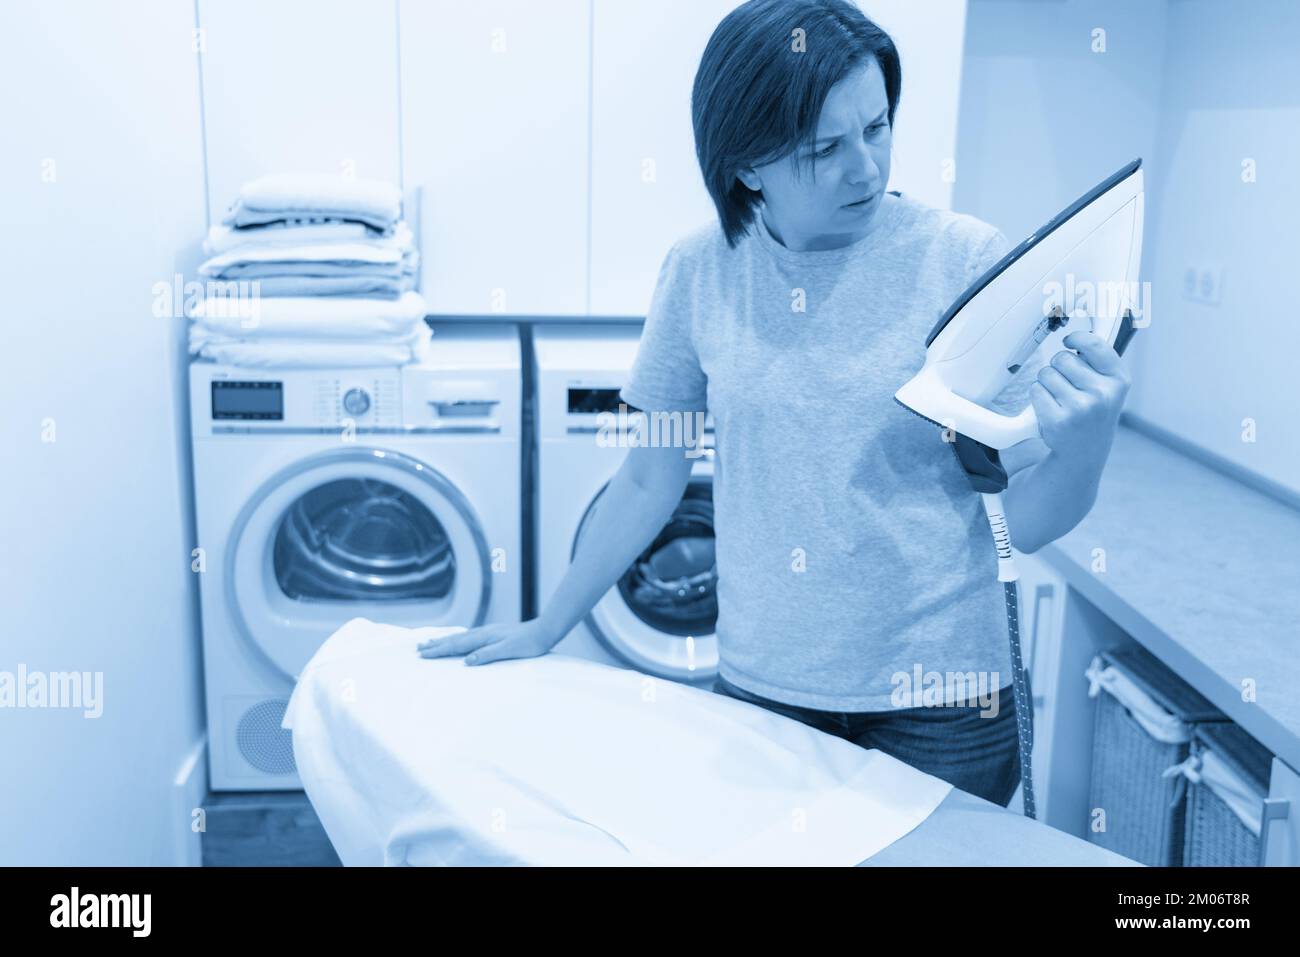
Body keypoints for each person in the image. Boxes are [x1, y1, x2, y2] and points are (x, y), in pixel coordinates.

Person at [419, 0, 1131, 807]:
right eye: (824, 147)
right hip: (768, 693)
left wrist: (1089, 440)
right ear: (746, 163)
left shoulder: (963, 259)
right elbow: (651, 480)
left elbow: (1022, 523)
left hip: (946, 704)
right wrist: (547, 626)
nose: (865, 167)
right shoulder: (701, 271)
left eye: (877, 126)